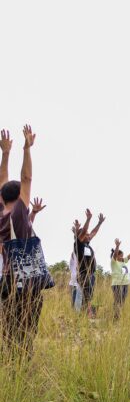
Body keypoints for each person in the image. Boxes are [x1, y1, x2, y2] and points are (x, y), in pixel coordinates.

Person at [0, 125, 45, 356]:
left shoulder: (1, 214)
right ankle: (22, 364)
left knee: (8, 328)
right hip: (29, 282)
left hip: (7, 280)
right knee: (27, 330)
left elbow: (4, 183)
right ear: (19, 198)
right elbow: (26, 178)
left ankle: (9, 363)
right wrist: (27, 148)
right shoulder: (19, 212)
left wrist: (5, 154)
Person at [74, 210, 105, 318]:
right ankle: (88, 314)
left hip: (91, 274)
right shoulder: (78, 245)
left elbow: (93, 232)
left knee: (89, 295)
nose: (88, 236)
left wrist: (99, 223)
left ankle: (84, 314)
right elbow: (84, 232)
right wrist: (88, 219)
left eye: (88, 235)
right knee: (86, 295)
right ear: (80, 236)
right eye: (85, 235)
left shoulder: (87, 244)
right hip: (83, 274)